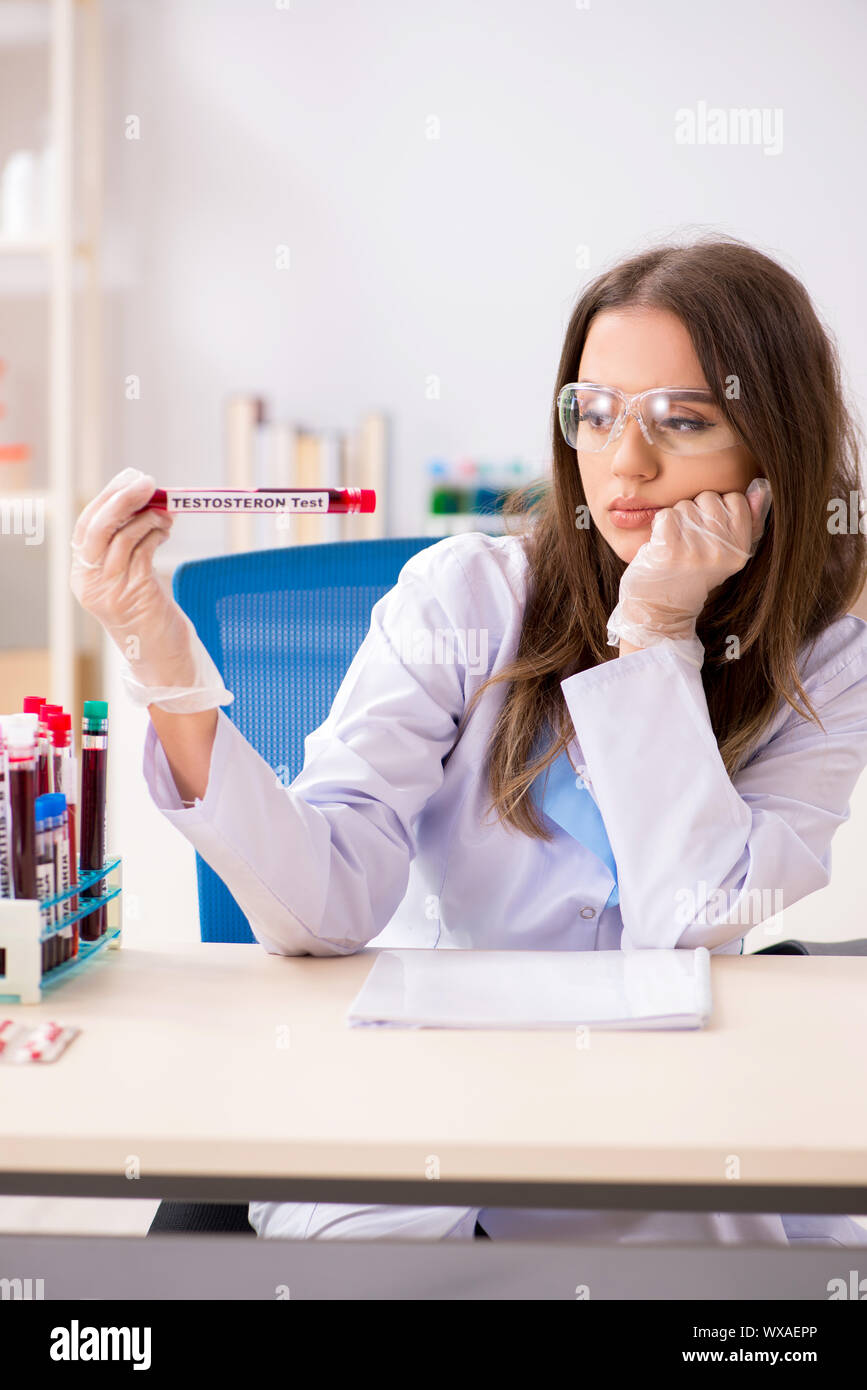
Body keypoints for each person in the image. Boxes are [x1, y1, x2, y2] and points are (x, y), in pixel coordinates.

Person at [71, 235, 867, 1247]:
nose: (626, 461)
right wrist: (163, 663)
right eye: (596, 411)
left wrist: (657, 630)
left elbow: (697, 910)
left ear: (771, 444)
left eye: (683, 419)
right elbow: (323, 906)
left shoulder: (827, 655)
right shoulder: (468, 597)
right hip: (429, 1096)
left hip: (665, 1115)